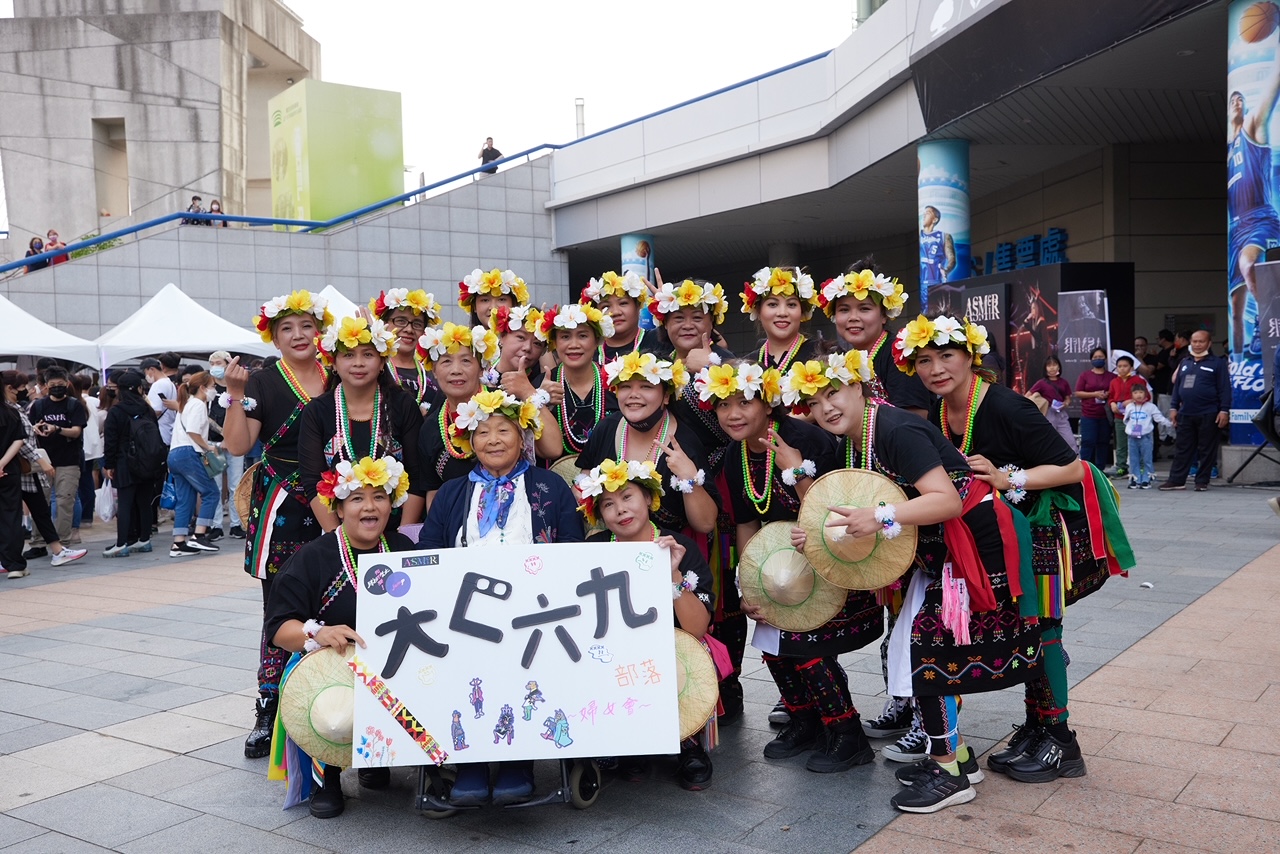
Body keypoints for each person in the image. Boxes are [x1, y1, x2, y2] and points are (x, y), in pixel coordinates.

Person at [786, 345, 1040, 813]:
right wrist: (820, 538)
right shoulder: (859, 435)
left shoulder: (894, 427)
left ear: (860, 386)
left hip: (973, 544)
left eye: (835, 392)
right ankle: (958, 757)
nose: (826, 407)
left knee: (927, 650)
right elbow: (870, 511)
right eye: (814, 401)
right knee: (914, 648)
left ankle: (949, 770)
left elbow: (944, 500)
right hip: (940, 547)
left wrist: (880, 516)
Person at [900, 314, 1132, 786]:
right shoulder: (944, 409)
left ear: (970, 357)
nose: (936, 368)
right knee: (1030, 632)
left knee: (1044, 631)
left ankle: (1062, 742)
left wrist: (1012, 479)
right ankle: (1037, 726)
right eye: (925, 359)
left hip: (1042, 530)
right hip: (1004, 534)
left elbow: (1071, 469)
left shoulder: (1007, 407)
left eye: (946, 355)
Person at [700, 358, 882, 773]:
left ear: (768, 403)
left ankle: (847, 733)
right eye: (723, 405)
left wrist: (795, 471)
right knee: (771, 640)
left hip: (833, 557)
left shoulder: (808, 439)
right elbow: (747, 522)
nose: (732, 414)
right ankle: (805, 720)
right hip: (783, 563)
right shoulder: (735, 455)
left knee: (807, 650)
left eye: (743, 402)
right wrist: (751, 584)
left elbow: (834, 511)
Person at [419, 389, 584, 805]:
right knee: (468, 681)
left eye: (503, 430)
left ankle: (517, 763)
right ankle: (470, 763)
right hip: (466, 614)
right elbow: (431, 548)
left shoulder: (550, 487)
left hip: (533, 613)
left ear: (522, 435)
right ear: (469, 441)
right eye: (483, 432)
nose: (493, 439)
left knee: (523, 679)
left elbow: (573, 547)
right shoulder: (453, 492)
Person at [816, 264, 930, 755]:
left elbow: (911, 436)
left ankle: (926, 715)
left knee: (919, 618)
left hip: (910, 500)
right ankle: (902, 701)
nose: (854, 317)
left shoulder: (896, 366)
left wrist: (886, 511)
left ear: (886, 312)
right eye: (844, 309)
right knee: (897, 611)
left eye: (865, 307)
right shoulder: (838, 363)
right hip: (875, 503)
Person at [264, 455, 416, 818]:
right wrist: (319, 632)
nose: (370, 506)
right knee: (330, 697)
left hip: (392, 664)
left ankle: (382, 756)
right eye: (357, 498)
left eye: (379, 497)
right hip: (332, 671)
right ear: (339, 506)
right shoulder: (313, 557)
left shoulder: (403, 551)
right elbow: (280, 629)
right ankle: (326, 776)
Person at [222, 289, 333, 760]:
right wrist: (234, 395)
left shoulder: (340, 369)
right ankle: (269, 707)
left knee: (340, 592)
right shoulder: (263, 382)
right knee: (281, 605)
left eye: (305, 325)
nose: (298, 335)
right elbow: (236, 443)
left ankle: (334, 691)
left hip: (335, 493)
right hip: (284, 500)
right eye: (286, 328)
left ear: (319, 329)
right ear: (273, 336)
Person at [576, 459, 716, 789]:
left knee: (686, 652)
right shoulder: (591, 551)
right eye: (608, 504)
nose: (620, 510)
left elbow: (696, 629)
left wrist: (673, 575)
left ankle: (687, 744)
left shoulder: (679, 547)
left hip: (671, 648)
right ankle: (627, 744)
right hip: (612, 651)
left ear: (649, 499)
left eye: (628, 497)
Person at [298, 315, 427, 532]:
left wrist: (404, 535)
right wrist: (337, 539)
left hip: (395, 529)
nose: (358, 363)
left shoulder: (403, 405)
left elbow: (418, 477)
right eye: (348, 355)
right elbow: (313, 482)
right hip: (339, 530)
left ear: (382, 362)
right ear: (334, 364)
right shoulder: (317, 411)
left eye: (368, 354)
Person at [577, 353, 716, 535]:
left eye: (646, 386)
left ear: (666, 396)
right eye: (625, 386)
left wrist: (688, 476)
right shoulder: (606, 428)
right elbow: (583, 480)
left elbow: (705, 524)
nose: (634, 395)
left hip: (670, 549)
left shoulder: (685, 443)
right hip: (615, 544)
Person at [414, 322, 498, 509]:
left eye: (466, 360)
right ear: (434, 371)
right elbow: (433, 490)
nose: (456, 370)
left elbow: (552, 451)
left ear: (482, 368)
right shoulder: (431, 428)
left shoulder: (504, 406)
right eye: (446, 361)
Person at [1229, 59, 1280, 361]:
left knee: (1250, 266)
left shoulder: (1252, 128)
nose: (1236, 101)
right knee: (1235, 310)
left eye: (1241, 99)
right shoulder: (1228, 150)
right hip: (1236, 231)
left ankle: (1267, 325)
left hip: (1261, 219)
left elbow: (1269, 97)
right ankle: (1238, 359)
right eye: (1232, 99)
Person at [536, 302, 616, 459]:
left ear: (596, 342)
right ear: (555, 343)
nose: (574, 345)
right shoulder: (540, 386)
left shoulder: (616, 381)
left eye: (583, 336)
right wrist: (540, 402)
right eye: (565, 336)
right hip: (556, 479)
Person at [1161, 330, 1231, 492]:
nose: (1197, 345)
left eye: (1201, 342)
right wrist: (1173, 407)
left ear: (1209, 343)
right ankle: (1177, 480)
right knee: (1182, 447)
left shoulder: (1217, 363)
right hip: (1186, 412)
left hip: (1209, 412)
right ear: (1190, 343)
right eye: (1195, 341)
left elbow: (1225, 389)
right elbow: (1177, 388)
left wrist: (1224, 411)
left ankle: (1202, 480)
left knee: (1206, 448)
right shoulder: (1185, 362)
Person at [28, 367, 88, 548]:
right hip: (43, 461)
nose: (56, 388)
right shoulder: (38, 406)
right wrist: (36, 428)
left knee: (64, 501)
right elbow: (29, 429)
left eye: (60, 385)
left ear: (67, 384)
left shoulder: (74, 405)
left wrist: (57, 429)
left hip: (69, 460)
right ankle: (38, 542)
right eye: (52, 385)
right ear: (46, 386)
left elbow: (77, 431)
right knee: (40, 503)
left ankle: (62, 543)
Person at [101, 371, 159, 558]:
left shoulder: (116, 411)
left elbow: (110, 441)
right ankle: (144, 540)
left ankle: (121, 543)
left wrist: (109, 465)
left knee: (125, 503)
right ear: (140, 388)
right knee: (144, 503)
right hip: (147, 461)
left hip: (124, 461)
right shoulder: (147, 409)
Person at [167, 371, 222, 557]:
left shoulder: (187, 404)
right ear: (202, 388)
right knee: (212, 492)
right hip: (188, 454)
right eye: (213, 386)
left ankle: (179, 543)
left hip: (175, 454)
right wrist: (208, 447)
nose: (214, 390)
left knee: (186, 500)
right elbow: (193, 431)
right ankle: (199, 535)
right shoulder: (198, 404)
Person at [369, 288, 444, 413]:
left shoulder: (433, 371)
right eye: (401, 321)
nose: (409, 329)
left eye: (417, 324)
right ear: (384, 324)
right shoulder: (374, 368)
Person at [740, 266, 820, 373]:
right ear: (758, 311)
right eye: (772, 304)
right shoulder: (746, 367)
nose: (782, 313)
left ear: (802, 312)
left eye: (791, 304)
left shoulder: (823, 354)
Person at [580, 271, 660, 362]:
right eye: (606, 306)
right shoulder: (588, 356)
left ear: (638, 306)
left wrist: (668, 309)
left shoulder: (660, 340)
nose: (616, 312)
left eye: (623, 303)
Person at [207, 351, 244, 538]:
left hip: (235, 444)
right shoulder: (207, 389)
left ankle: (236, 524)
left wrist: (230, 437)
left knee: (236, 484)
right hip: (212, 444)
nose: (214, 366)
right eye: (212, 363)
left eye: (218, 362)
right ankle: (216, 526)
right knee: (215, 486)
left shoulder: (236, 388)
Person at [0, 373, 28, 577]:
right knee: (11, 516)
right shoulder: (11, 412)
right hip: (8, 470)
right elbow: (19, 440)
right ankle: (14, 564)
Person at [1106, 356, 1149, 479]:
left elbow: (1147, 397)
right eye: (1119, 366)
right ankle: (1121, 467)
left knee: (1138, 442)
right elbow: (1111, 396)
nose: (1122, 369)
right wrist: (1112, 403)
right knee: (1121, 443)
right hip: (1119, 417)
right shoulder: (1114, 381)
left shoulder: (1138, 381)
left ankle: (1141, 466)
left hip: (1136, 417)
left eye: (1125, 366)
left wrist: (1132, 400)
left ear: (1131, 367)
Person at [1074, 347, 1115, 471]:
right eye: (1095, 357)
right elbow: (1078, 393)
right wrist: (1094, 394)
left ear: (1105, 359)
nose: (1098, 359)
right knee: (1088, 442)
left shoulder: (1112, 376)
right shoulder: (1085, 375)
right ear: (1091, 359)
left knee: (1103, 442)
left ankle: (1100, 470)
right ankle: (1085, 470)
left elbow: (1115, 392)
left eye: (1101, 357)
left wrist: (1108, 394)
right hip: (1089, 414)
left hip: (1105, 414)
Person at [1124, 384, 1171, 489]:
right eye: (1135, 393)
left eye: (1141, 392)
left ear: (1146, 394)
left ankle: (1147, 478)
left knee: (1147, 458)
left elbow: (1158, 418)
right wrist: (1130, 429)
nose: (1138, 395)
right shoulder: (1129, 407)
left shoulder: (1151, 407)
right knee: (1133, 458)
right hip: (1132, 437)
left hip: (1145, 436)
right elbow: (1126, 419)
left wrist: (1169, 424)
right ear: (1131, 395)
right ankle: (1135, 478)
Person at [74, 373, 104, 531]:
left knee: (80, 484)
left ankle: (82, 517)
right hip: (91, 447)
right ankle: (86, 516)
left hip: (82, 448)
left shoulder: (76, 403)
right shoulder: (89, 402)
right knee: (86, 482)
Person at [1028, 357, 1077, 451]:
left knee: (1070, 441)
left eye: (1054, 365)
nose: (1052, 368)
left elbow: (1068, 398)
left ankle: (1075, 462)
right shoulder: (1041, 383)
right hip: (1048, 413)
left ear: (1059, 366)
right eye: (1049, 365)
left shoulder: (1064, 382)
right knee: (1048, 440)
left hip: (1061, 413)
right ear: (1045, 368)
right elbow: (1027, 396)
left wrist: (1065, 403)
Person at [459, 267, 529, 330]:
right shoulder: (465, 343)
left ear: (514, 304)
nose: (493, 308)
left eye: (502, 299)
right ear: (474, 307)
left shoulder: (528, 341)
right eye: (485, 300)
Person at [919, 205, 956, 289]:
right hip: (922, 283)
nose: (924, 215)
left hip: (937, 282)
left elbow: (952, 258)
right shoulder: (919, 236)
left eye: (927, 213)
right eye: (924, 213)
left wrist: (946, 270)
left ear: (935, 219)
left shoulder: (944, 236)